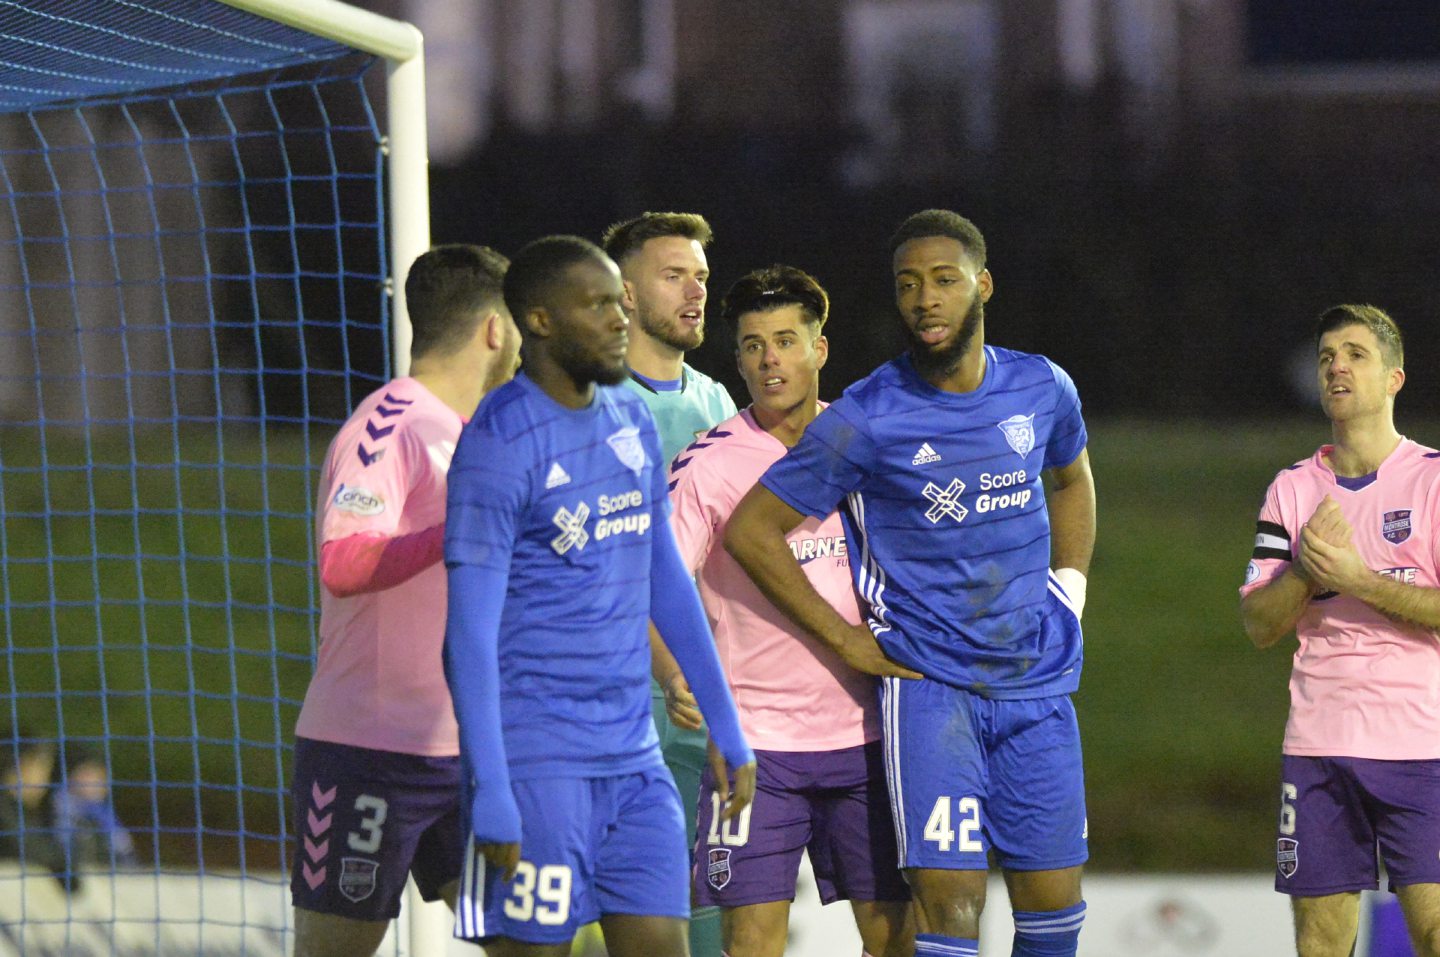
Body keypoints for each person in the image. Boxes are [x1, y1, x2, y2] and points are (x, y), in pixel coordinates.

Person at [725, 210, 1096, 957]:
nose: (925, 299)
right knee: (950, 912)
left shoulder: (1041, 386)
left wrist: (1070, 586)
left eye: (943, 280)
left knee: (1054, 914)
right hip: (931, 693)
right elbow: (751, 530)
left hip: (1037, 681)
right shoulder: (868, 414)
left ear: (981, 284)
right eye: (908, 285)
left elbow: (1071, 477)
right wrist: (845, 640)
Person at [442, 235, 756, 957]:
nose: (621, 319)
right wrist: (491, 783)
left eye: (622, 302)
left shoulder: (627, 423)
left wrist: (723, 719)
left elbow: (665, 580)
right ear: (542, 322)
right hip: (537, 767)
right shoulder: (499, 442)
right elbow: (467, 635)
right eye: (599, 305)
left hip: (634, 762)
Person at [665, 264, 913, 957]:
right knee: (750, 944)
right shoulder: (706, 465)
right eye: (751, 345)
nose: (770, 359)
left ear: (820, 348)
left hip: (870, 733)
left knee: (897, 938)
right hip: (754, 744)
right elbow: (650, 581)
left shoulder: (867, 442)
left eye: (784, 340)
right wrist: (672, 671)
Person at [289, 244, 519, 957]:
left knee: (534, 943)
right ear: (492, 329)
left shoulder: (471, 438)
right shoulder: (386, 424)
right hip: (370, 753)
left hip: (467, 753)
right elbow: (343, 560)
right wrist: (455, 529)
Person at [1239, 304, 1440, 957]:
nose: (1337, 366)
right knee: (1321, 941)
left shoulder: (1433, 480)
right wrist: (1304, 568)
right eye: (1327, 356)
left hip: (1422, 746)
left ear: (1394, 378)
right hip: (1320, 746)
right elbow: (1259, 623)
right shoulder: (1294, 491)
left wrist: (1358, 578)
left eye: (1355, 353)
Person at [601, 210, 738, 957]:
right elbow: (610, 558)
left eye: (703, 278)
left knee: (716, 917)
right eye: (674, 275)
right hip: (621, 707)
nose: (696, 292)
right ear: (623, 292)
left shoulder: (717, 403)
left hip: (706, 704)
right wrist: (668, 659)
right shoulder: (594, 404)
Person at [0, 725, 72, 890]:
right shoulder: (6, 810)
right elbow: (29, 851)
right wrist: (61, 865)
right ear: (19, 765)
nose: (44, 779)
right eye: (41, 766)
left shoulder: (27, 811)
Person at [49, 741, 138, 870]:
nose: (99, 782)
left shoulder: (104, 814)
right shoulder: (60, 809)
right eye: (90, 774)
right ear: (70, 776)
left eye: (102, 775)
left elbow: (127, 856)